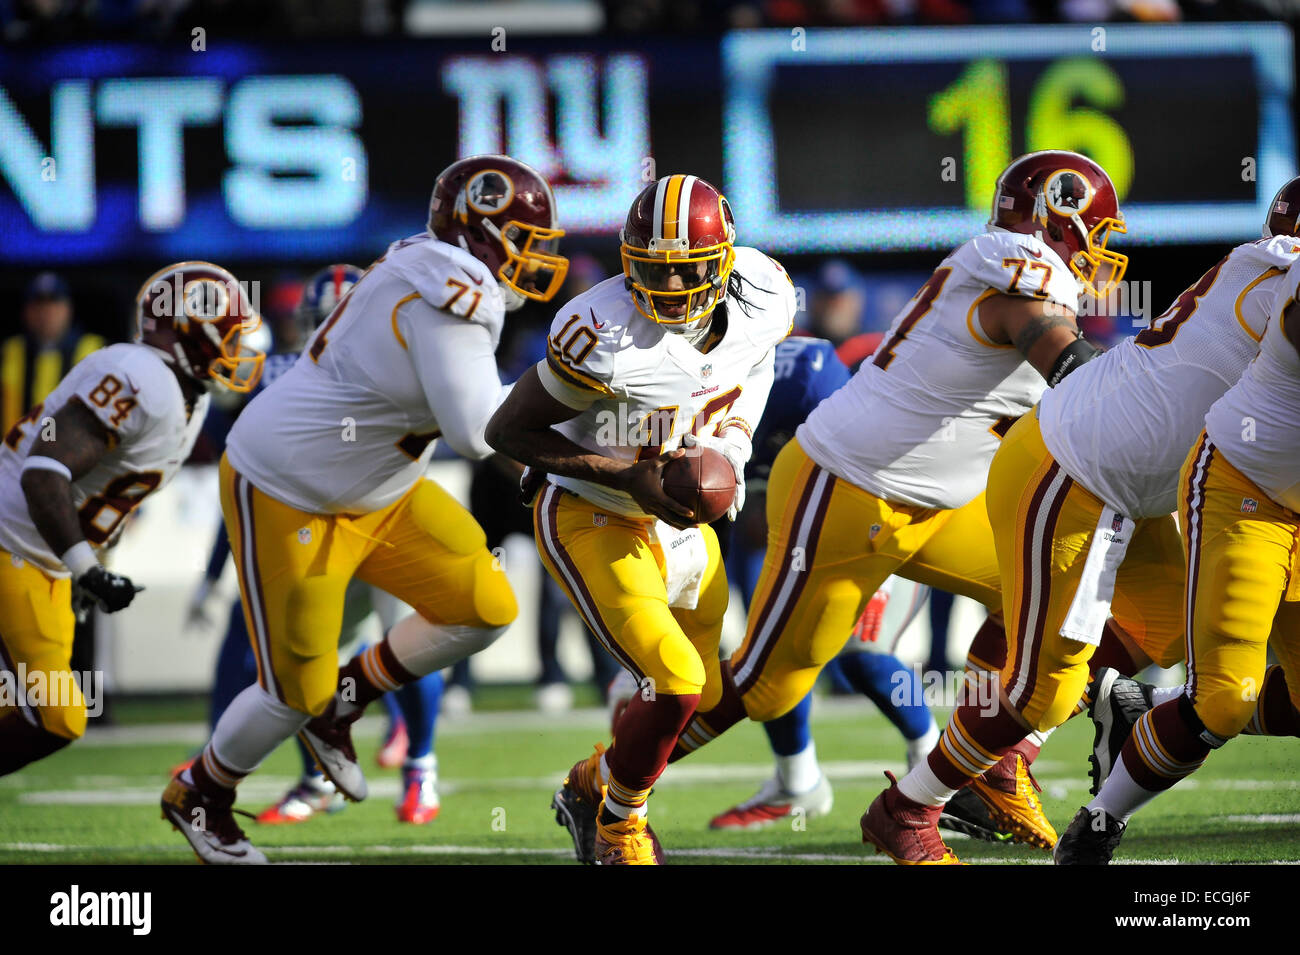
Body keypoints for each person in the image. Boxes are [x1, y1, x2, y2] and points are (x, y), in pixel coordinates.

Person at [863, 174, 1300, 864]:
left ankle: (1010, 756)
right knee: (1045, 687)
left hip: (1131, 479)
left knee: (1170, 627)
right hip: (1073, 469)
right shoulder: (1282, 280)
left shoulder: (1260, 267)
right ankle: (908, 807)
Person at [160, 155, 568, 864]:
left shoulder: (431, 264)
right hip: (290, 488)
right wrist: (575, 403)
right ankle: (202, 790)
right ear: (478, 233)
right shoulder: (455, 286)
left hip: (379, 487)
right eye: (523, 238)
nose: (535, 256)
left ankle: (346, 701)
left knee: (484, 604)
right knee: (291, 691)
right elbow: (477, 433)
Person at [487, 174, 793, 864]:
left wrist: (733, 447)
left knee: (712, 692)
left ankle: (591, 785)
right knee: (677, 680)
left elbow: (757, 363)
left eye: (687, 269)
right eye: (651, 268)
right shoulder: (601, 332)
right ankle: (618, 826)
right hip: (592, 513)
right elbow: (505, 430)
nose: (670, 285)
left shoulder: (766, 292)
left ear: (723, 262)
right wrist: (625, 473)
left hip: (679, 522)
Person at [1053, 183, 1300, 863]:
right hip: (1247, 488)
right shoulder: (1285, 280)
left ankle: (1153, 698)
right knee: (1224, 698)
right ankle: (1100, 823)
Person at [0, 262, 263, 774]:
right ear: (188, 333)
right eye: (228, 338)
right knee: (53, 714)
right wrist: (89, 569)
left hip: (44, 564)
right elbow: (43, 470)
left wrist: (80, 568)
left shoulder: (188, 397)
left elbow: (96, 487)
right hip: (13, 544)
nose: (238, 352)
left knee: (44, 714)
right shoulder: (136, 375)